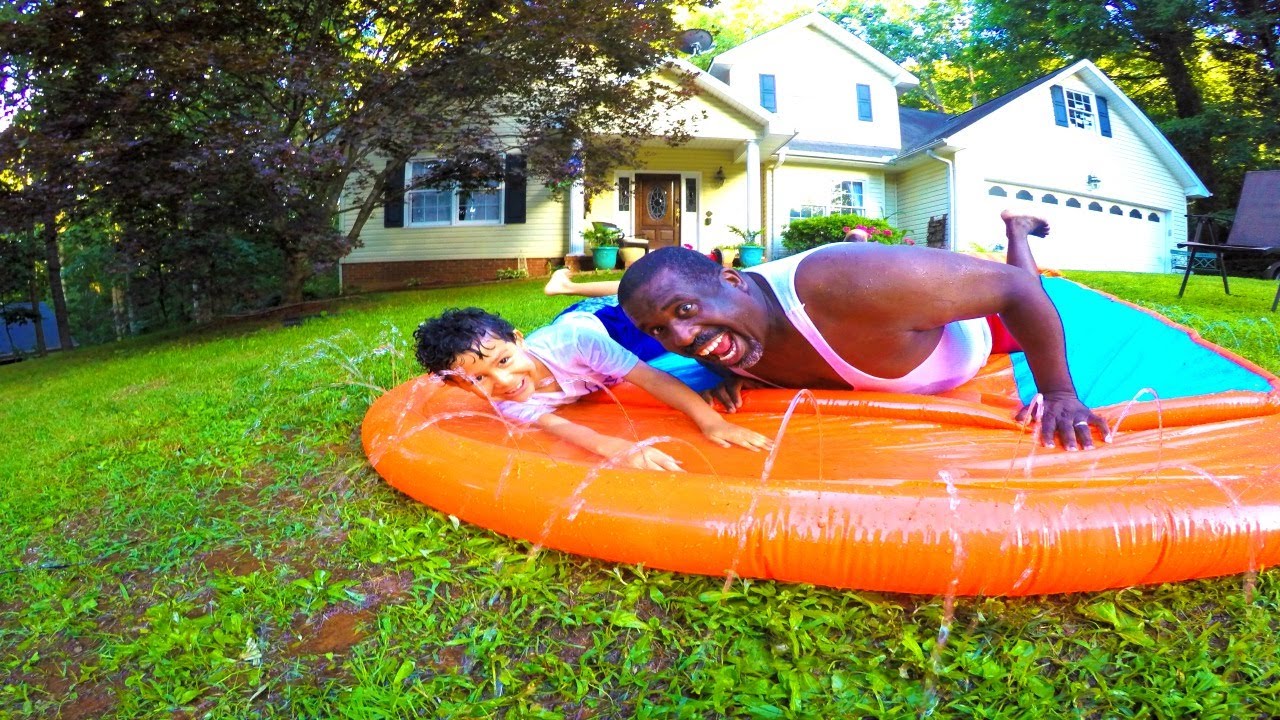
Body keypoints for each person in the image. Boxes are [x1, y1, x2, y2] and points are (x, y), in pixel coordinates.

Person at [618, 211, 1112, 451]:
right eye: (659, 330)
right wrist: (743, 376)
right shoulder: (714, 333)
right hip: (876, 304)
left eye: (683, 309)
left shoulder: (843, 284)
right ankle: (855, 239)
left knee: (1023, 295)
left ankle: (1017, 231)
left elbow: (1017, 291)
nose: (680, 340)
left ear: (732, 280)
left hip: (969, 331)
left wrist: (1059, 392)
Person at [413, 307, 773, 472]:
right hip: (579, 339)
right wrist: (617, 449)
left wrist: (711, 421)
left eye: (504, 361)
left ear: (518, 342)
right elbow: (561, 427)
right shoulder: (505, 403)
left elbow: (649, 378)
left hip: (604, 325)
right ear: (458, 384)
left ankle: (582, 291)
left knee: (671, 336)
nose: (502, 383)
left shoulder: (575, 345)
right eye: (478, 379)